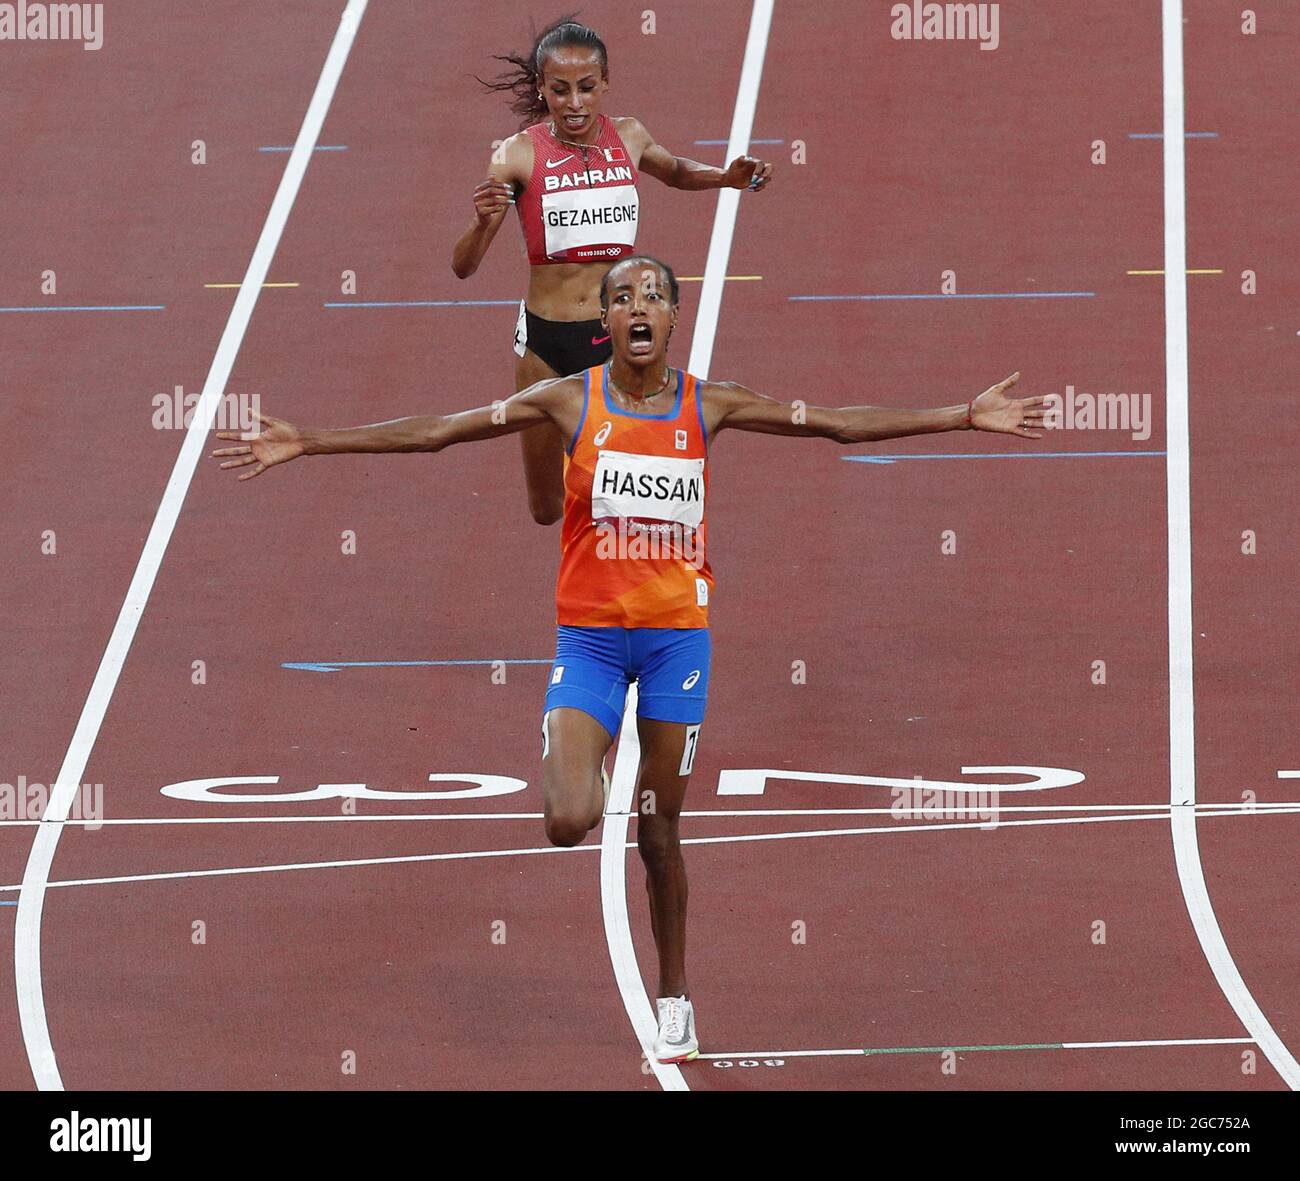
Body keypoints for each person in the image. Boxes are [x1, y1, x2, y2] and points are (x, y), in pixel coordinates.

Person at [212, 255, 1046, 1065]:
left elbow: (834, 423)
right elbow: (437, 434)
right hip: (591, 641)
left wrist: (962, 416)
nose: (639, 305)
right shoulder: (566, 401)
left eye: (654, 294)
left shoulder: (709, 404)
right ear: (605, 323)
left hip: (678, 639)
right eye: (623, 296)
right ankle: (578, 741)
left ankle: (674, 995)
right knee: (568, 821)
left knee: (658, 825)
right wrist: (310, 441)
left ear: (674, 318)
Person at [452, 16, 774, 527]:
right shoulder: (517, 155)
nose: (574, 103)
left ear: (605, 83)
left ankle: (613, 587)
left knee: (625, 493)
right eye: (560, 91)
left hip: (614, 342)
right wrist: (480, 221)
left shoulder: (629, 135)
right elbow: (463, 267)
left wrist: (725, 178)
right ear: (542, 88)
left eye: (586, 88)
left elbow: (674, 170)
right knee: (544, 510)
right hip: (543, 346)